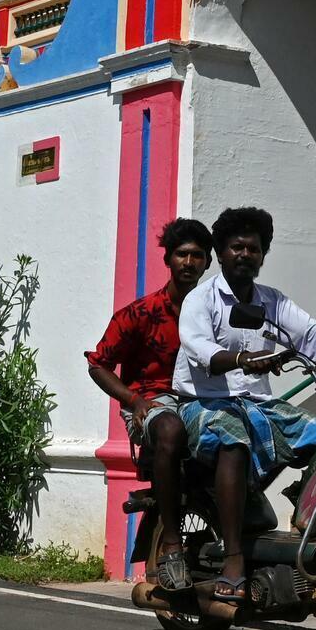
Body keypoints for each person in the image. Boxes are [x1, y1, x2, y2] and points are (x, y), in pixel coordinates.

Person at [174, 205, 316, 615]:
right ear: (220, 252)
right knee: (231, 439)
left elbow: (309, 332)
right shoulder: (201, 299)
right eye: (236, 247)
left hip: (257, 404)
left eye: (253, 249)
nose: (245, 254)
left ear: (262, 254)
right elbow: (198, 347)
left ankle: (311, 530)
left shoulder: (271, 301)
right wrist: (239, 360)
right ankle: (234, 559)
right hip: (203, 403)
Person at [86, 217, 212, 590]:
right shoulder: (140, 313)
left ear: (207, 262)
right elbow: (98, 364)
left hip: (199, 402)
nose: (189, 263)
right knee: (169, 427)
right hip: (151, 403)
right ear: (168, 260)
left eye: (198, 256)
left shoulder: (214, 313)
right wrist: (133, 399)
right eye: (182, 254)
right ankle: (172, 546)